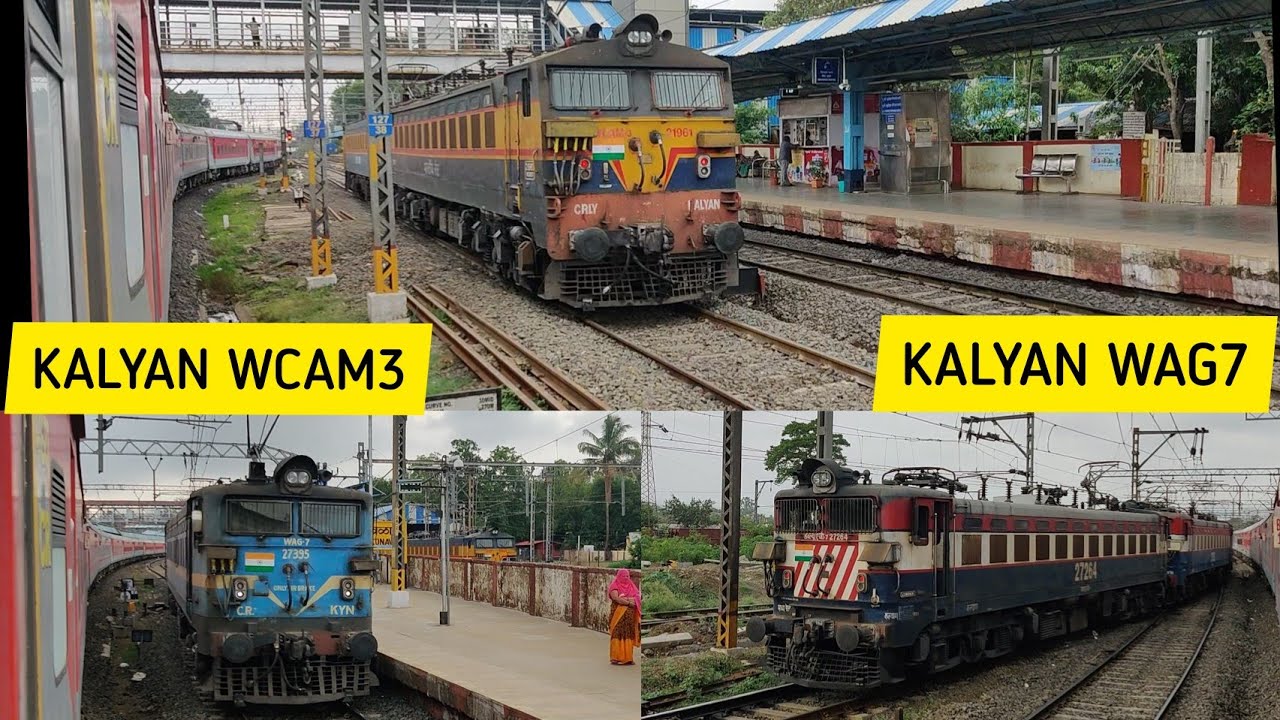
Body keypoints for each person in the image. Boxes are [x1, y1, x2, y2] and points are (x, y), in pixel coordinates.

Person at [607, 569, 640, 666]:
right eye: (624, 576)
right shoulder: (614, 585)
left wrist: (627, 599)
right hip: (618, 615)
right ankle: (616, 657)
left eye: (627, 576)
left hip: (629, 617)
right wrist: (629, 602)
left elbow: (638, 597)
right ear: (619, 576)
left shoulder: (631, 585)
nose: (626, 578)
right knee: (617, 634)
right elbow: (616, 598)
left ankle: (628, 658)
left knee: (628, 634)